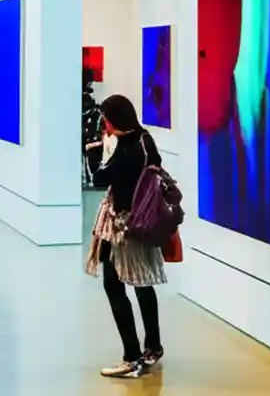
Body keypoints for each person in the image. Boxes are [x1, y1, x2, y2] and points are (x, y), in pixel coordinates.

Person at [85, 94, 166, 379]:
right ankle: (153, 346)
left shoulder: (125, 152)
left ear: (113, 120)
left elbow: (98, 179)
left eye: (106, 119)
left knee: (113, 285)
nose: (103, 124)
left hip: (122, 226)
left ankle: (131, 357)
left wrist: (95, 153)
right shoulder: (146, 140)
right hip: (145, 222)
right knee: (143, 284)